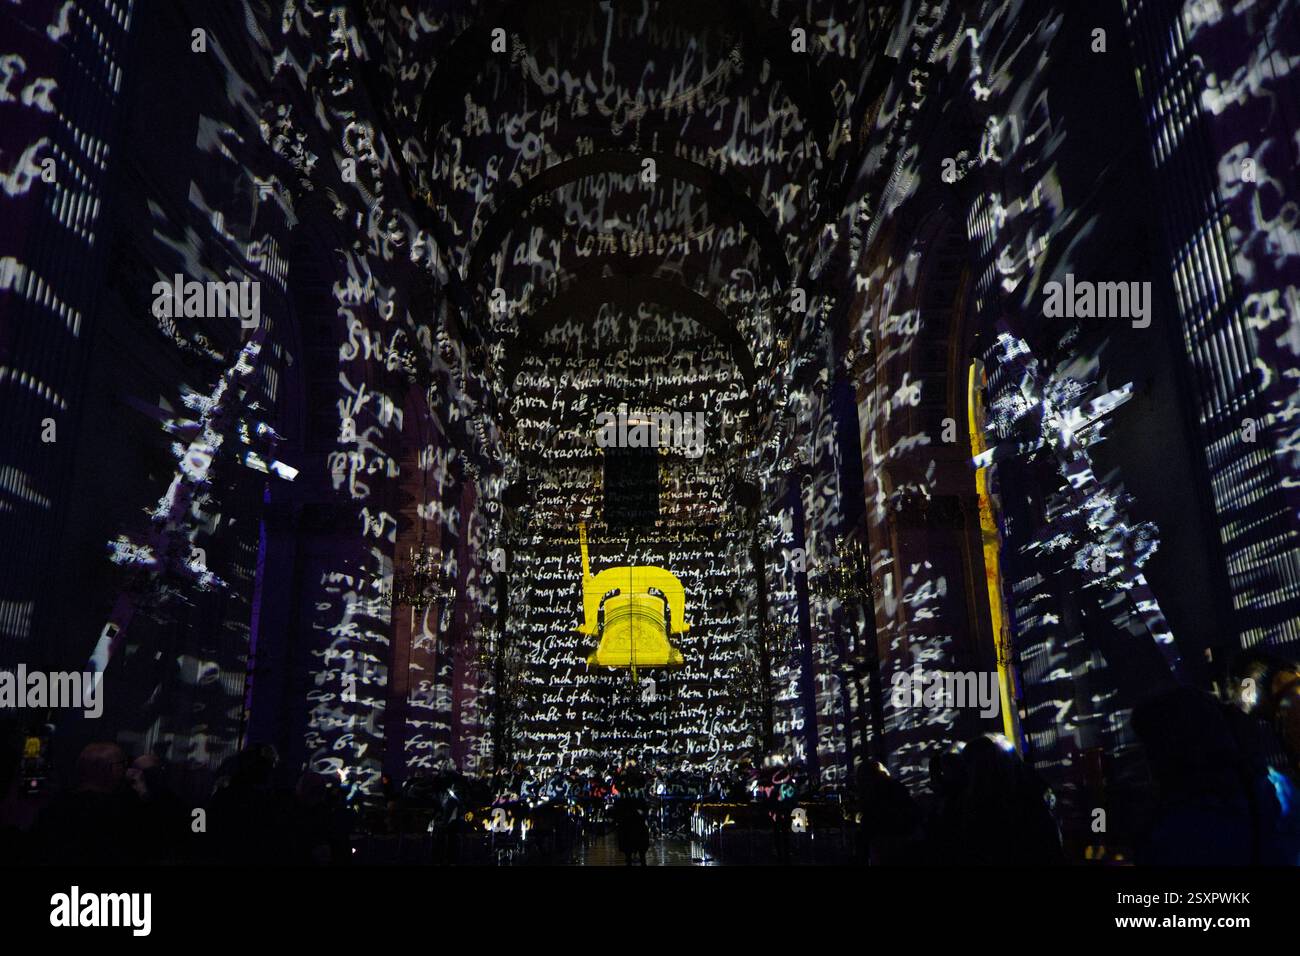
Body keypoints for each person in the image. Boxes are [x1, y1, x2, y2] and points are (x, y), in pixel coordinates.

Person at [613, 787, 650, 865]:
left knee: (634, 853)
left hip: (633, 828)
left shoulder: (626, 800)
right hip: (632, 828)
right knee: (635, 853)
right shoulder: (636, 800)